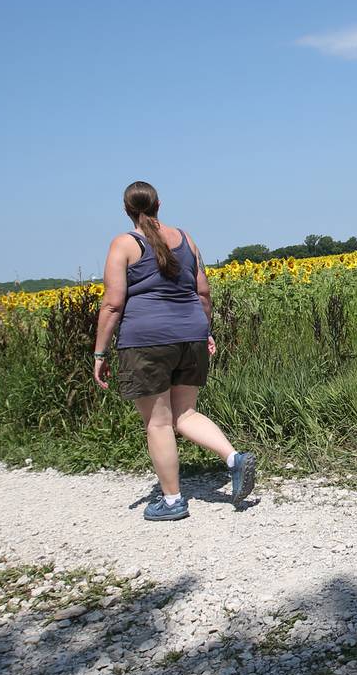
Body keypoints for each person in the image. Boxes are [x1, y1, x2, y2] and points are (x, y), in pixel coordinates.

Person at [93, 181, 256, 521]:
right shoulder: (186, 238)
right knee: (185, 414)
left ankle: (172, 501)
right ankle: (233, 458)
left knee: (159, 422)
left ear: (126, 210)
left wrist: (99, 353)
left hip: (146, 341)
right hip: (191, 336)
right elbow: (204, 293)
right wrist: (205, 330)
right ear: (159, 204)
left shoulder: (124, 243)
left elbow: (112, 305)